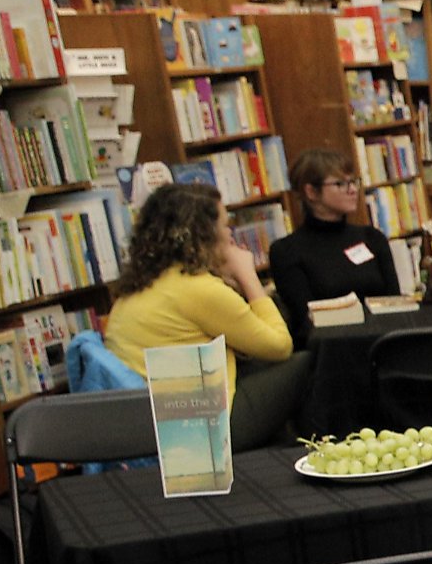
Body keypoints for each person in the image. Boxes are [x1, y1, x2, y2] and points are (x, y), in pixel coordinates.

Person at [104, 182, 305, 449]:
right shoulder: (198, 289)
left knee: (261, 368)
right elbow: (279, 346)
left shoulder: (142, 281)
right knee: (306, 359)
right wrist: (248, 276)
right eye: (224, 225)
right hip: (199, 427)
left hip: (152, 418)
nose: (230, 234)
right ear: (203, 234)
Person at [266, 148, 400, 344]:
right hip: (333, 350)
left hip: (386, 341)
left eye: (353, 181)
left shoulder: (372, 238)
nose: (353, 190)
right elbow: (306, 322)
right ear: (311, 191)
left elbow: (395, 304)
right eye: (340, 184)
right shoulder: (287, 251)